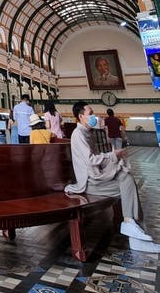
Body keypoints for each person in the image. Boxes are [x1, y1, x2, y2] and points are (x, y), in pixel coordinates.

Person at [65, 101, 159, 252]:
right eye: (90, 114)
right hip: (89, 182)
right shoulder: (78, 134)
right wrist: (112, 155)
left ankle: (131, 225)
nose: (94, 116)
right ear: (81, 116)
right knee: (127, 183)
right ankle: (132, 229)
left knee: (126, 178)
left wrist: (112, 154)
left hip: (96, 177)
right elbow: (91, 160)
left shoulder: (88, 132)